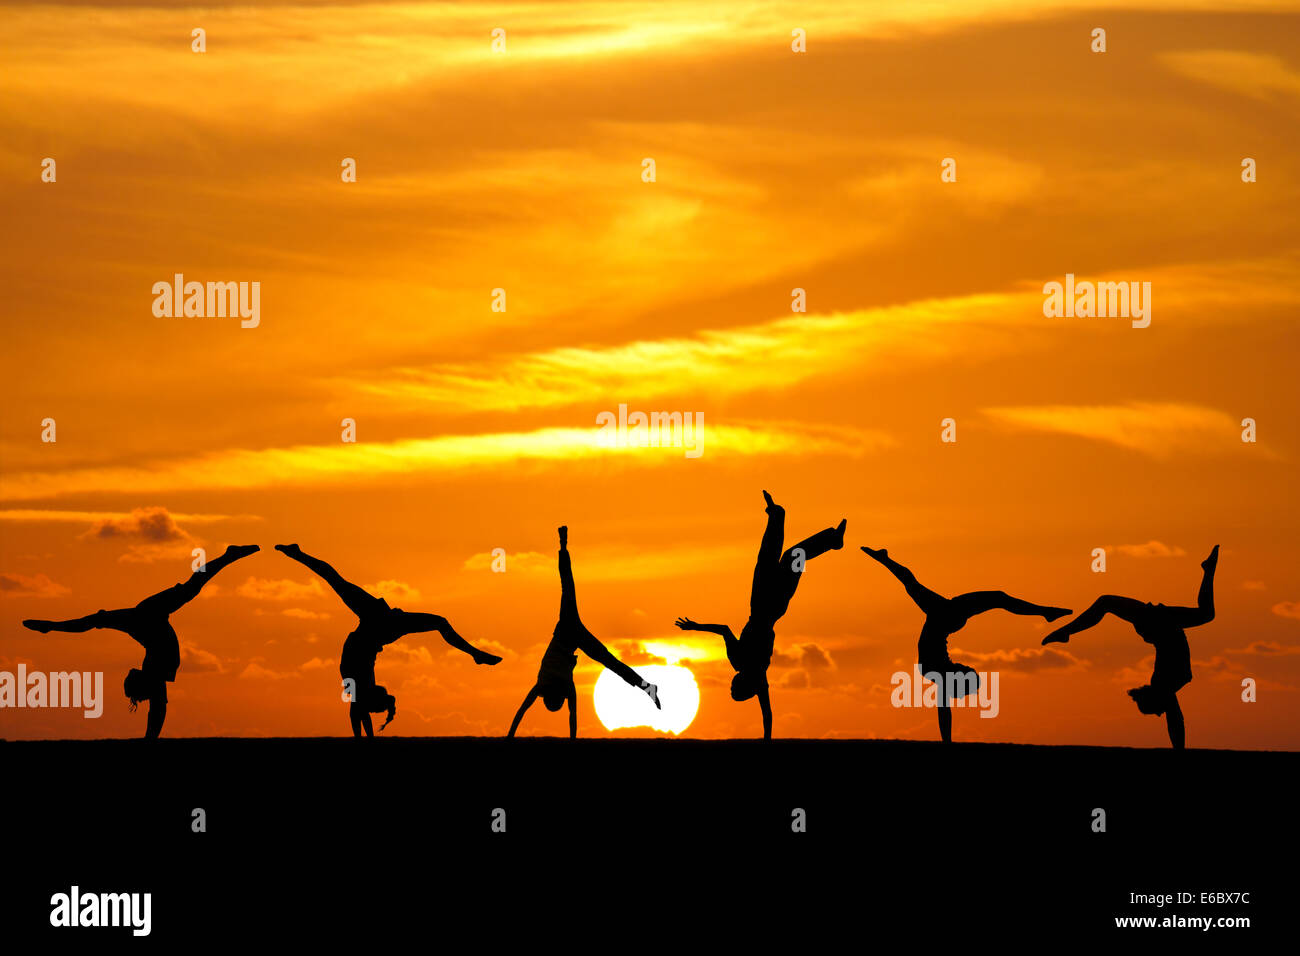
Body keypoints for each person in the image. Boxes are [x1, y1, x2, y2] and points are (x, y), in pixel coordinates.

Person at [21, 544, 260, 738]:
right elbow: (158, 708)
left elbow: (157, 707)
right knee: (190, 588)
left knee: (95, 620)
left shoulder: (153, 671)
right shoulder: (156, 674)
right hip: (148, 616)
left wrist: (52, 626)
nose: (131, 671)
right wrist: (150, 738)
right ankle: (228, 556)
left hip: (143, 619)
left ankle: (50, 627)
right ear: (141, 682)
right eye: (132, 677)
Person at [275, 543, 501, 736]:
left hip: (382, 623)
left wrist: (365, 737)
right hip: (383, 624)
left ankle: (475, 654)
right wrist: (366, 737)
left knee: (336, 581)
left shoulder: (357, 680)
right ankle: (475, 654)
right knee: (337, 581)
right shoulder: (362, 679)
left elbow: (357, 709)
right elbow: (358, 709)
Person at [675, 490, 845, 739]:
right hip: (772, 606)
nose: (732, 682)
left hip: (762, 605)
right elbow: (767, 712)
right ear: (744, 685)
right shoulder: (748, 669)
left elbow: (767, 712)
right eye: (734, 687)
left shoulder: (746, 668)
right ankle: (830, 539)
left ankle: (777, 515)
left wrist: (695, 627)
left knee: (771, 556)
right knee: (793, 556)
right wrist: (696, 627)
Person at [861, 545, 1070, 742]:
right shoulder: (937, 673)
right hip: (945, 616)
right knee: (996, 598)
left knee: (994, 597)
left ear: (959, 677)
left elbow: (944, 711)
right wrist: (947, 741)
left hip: (946, 615)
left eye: (967, 670)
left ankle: (1045, 612)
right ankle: (1045, 612)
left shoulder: (940, 676)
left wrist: (947, 741)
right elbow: (944, 709)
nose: (965, 665)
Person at [1042, 545, 1218, 749]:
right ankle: (1208, 570)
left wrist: (1179, 749)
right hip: (1161, 623)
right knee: (1206, 614)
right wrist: (1179, 750)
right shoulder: (1165, 686)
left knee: (1105, 602)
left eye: (1156, 711)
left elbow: (1175, 718)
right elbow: (1175, 718)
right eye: (1158, 711)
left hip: (1158, 624)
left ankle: (1066, 632)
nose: (1160, 714)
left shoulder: (1164, 684)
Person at [508, 526, 659, 738]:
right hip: (572, 631)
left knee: (609, 660)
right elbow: (560, 715)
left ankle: (647, 687)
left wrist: (510, 737)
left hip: (568, 629)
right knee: (609, 660)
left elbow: (560, 715)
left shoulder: (553, 687)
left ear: (555, 698)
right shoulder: (551, 687)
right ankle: (647, 687)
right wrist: (510, 736)